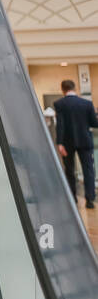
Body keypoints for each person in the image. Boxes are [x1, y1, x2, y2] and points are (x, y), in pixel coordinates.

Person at [54, 78, 98, 208]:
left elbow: (60, 125)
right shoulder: (87, 103)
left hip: (67, 142)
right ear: (75, 88)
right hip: (85, 141)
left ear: (63, 90)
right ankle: (90, 200)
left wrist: (60, 143)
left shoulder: (59, 104)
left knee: (69, 170)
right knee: (88, 170)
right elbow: (94, 123)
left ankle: (73, 199)